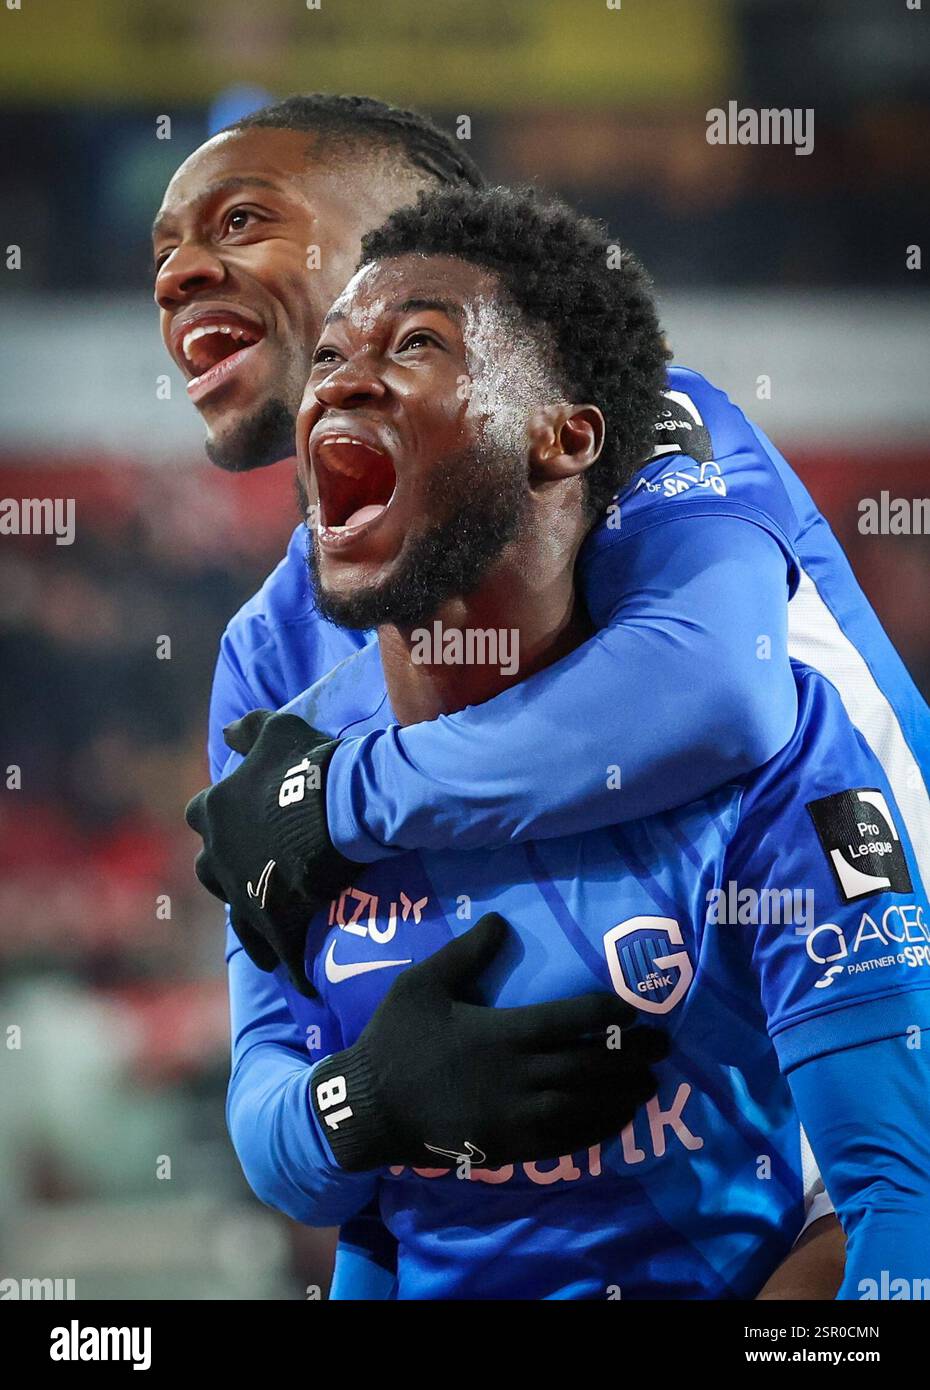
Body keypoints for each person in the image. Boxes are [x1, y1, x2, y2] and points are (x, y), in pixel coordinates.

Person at [155, 94, 860, 1294]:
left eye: (238, 221)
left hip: (829, 1175)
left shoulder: (634, 433)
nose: (178, 275)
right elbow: (274, 1104)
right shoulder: (269, 648)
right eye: (162, 249)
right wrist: (361, 1103)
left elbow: (715, 695)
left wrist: (344, 794)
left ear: (408, 231)